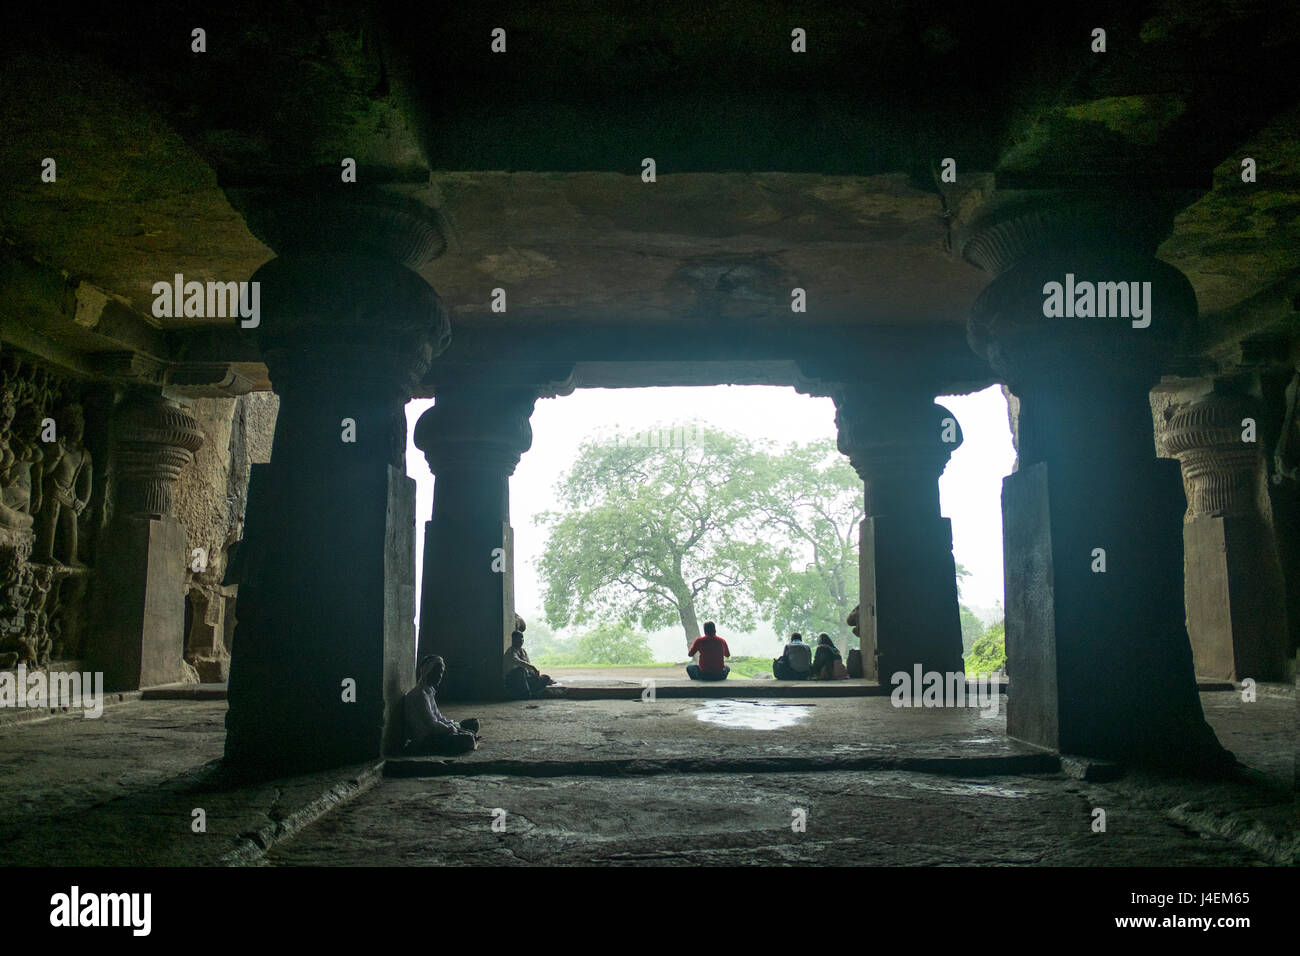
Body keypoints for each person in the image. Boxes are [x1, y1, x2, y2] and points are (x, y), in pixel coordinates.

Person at [403, 655, 480, 755]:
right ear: (427, 672)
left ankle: (466, 737)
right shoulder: (420, 695)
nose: (440, 676)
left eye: (441, 673)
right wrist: (453, 730)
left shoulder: (429, 691)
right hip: (426, 739)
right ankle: (468, 740)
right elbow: (432, 724)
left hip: (435, 732)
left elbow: (438, 716)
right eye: (437, 672)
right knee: (468, 738)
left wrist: (452, 726)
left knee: (474, 723)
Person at [503, 629, 555, 699]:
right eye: (518, 640)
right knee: (520, 671)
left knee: (546, 677)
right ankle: (526, 694)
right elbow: (517, 661)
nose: (520, 642)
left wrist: (535, 675)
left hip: (526, 679)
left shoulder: (523, 651)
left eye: (521, 640)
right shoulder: (510, 652)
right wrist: (532, 667)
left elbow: (528, 668)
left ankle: (531, 692)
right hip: (514, 681)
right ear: (513, 640)